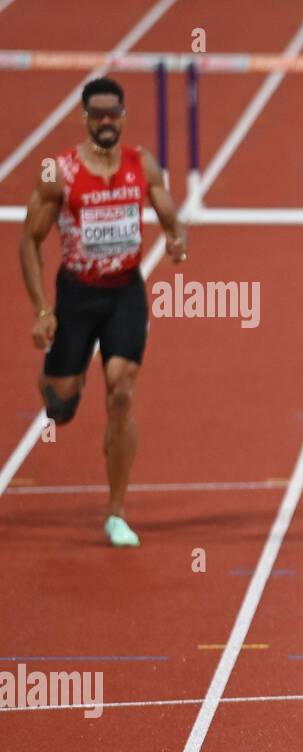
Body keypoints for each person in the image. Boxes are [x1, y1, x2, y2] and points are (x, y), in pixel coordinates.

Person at [18, 76, 187, 547]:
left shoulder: (141, 163)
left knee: (121, 392)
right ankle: (61, 381)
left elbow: (168, 210)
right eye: (98, 113)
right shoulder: (59, 173)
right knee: (61, 406)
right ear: (85, 117)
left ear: (124, 115)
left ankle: (116, 513)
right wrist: (41, 310)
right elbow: (29, 240)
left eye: (114, 112)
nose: (107, 120)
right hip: (76, 296)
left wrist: (177, 238)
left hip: (125, 293)